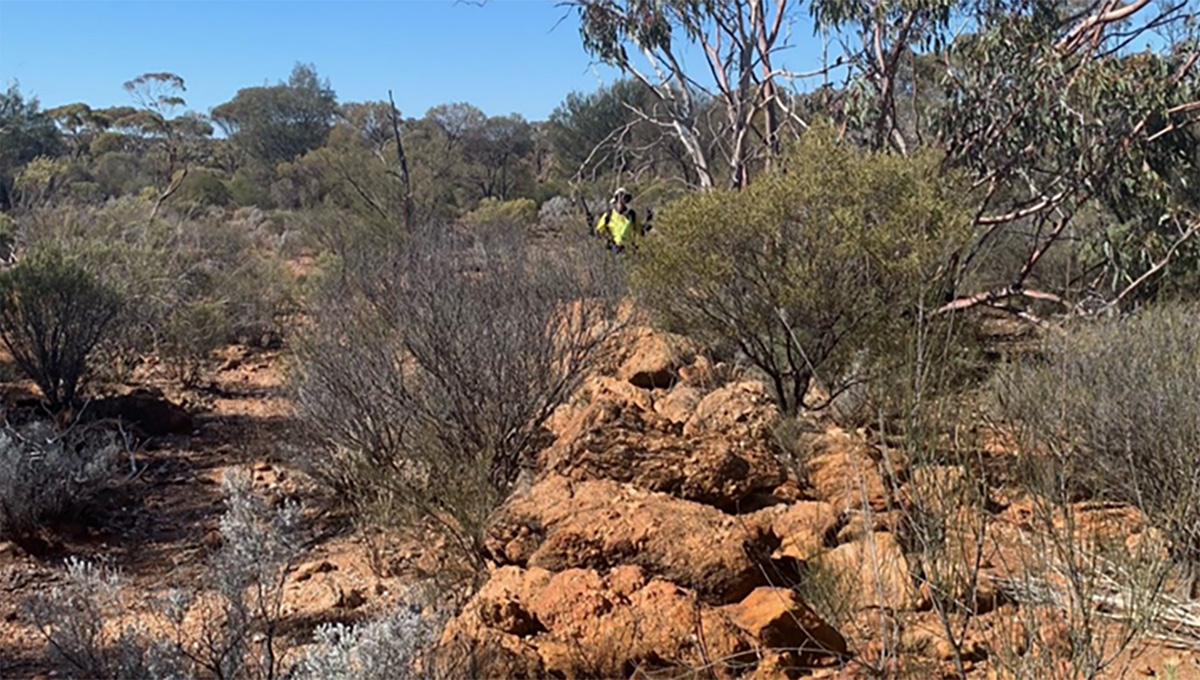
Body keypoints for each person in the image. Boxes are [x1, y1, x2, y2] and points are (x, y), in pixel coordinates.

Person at [594, 187, 640, 253]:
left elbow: (639, 231)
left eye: (623, 197)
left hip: (628, 251)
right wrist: (609, 241)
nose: (621, 201)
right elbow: (599, 231)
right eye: (619, 197)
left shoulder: (632, 215)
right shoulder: (609, 215)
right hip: (613, 252)